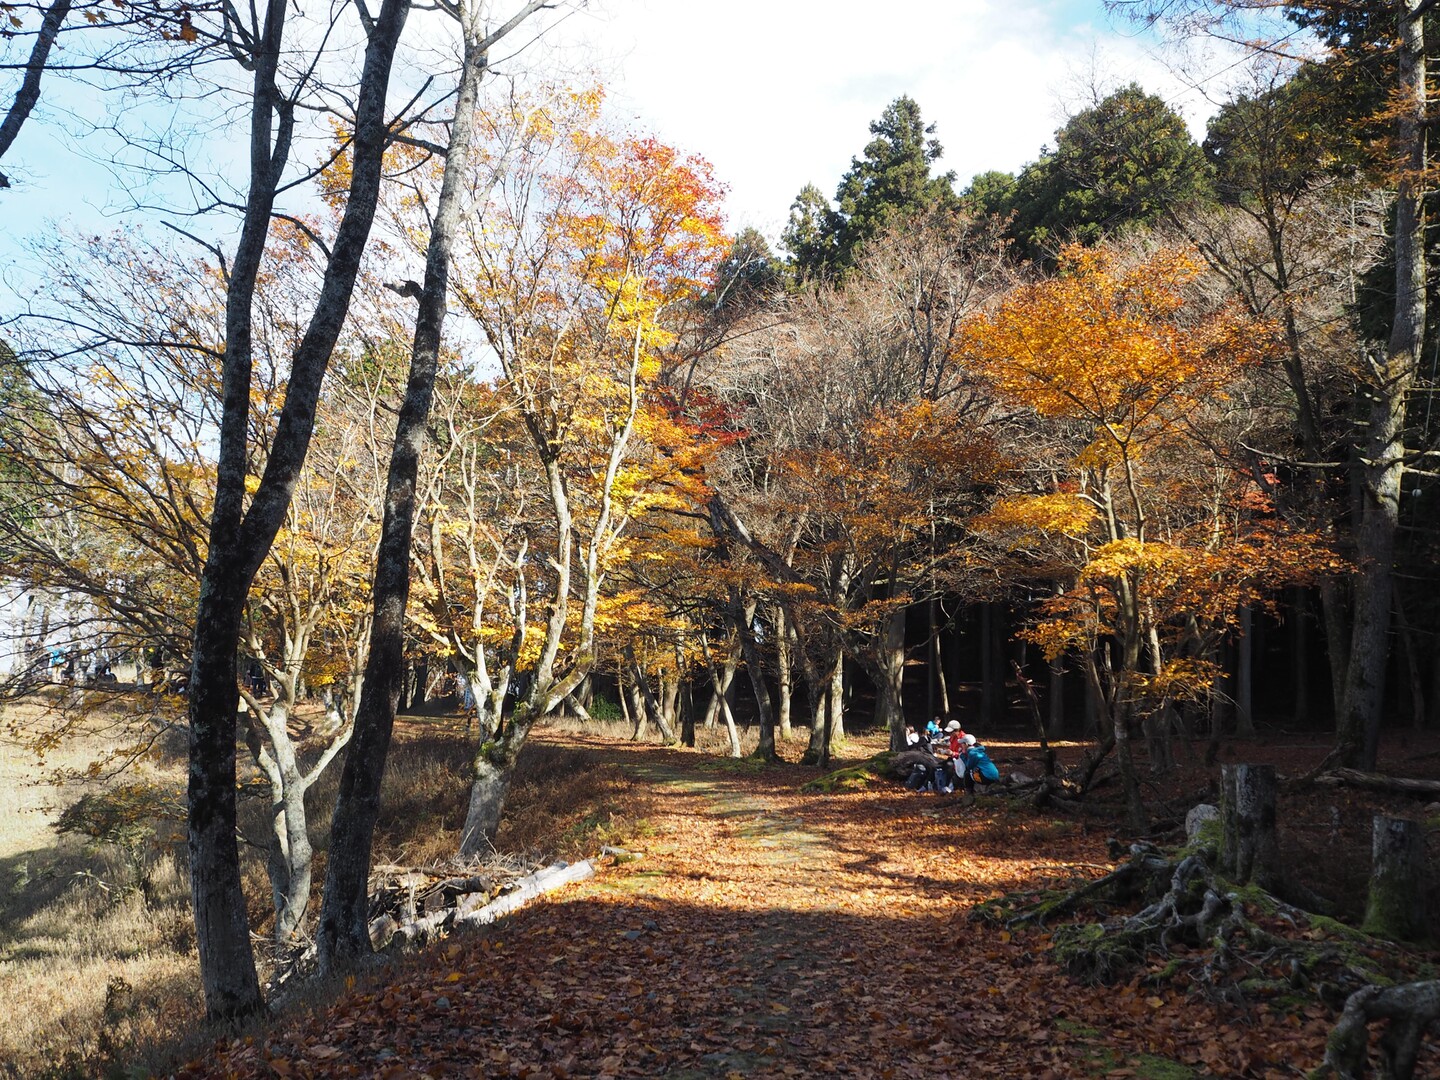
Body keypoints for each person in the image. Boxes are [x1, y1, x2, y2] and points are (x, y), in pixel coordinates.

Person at [957, 733, 1000, 797]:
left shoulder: (972, 753)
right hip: (994, 775)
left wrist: (962, 755)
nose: (961, 746)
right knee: (972, 772)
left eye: (962, 744)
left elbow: (968, 766)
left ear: (966, 744)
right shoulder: (978, 751)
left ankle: (969, 794)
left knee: (967, 774)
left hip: (986, 777)